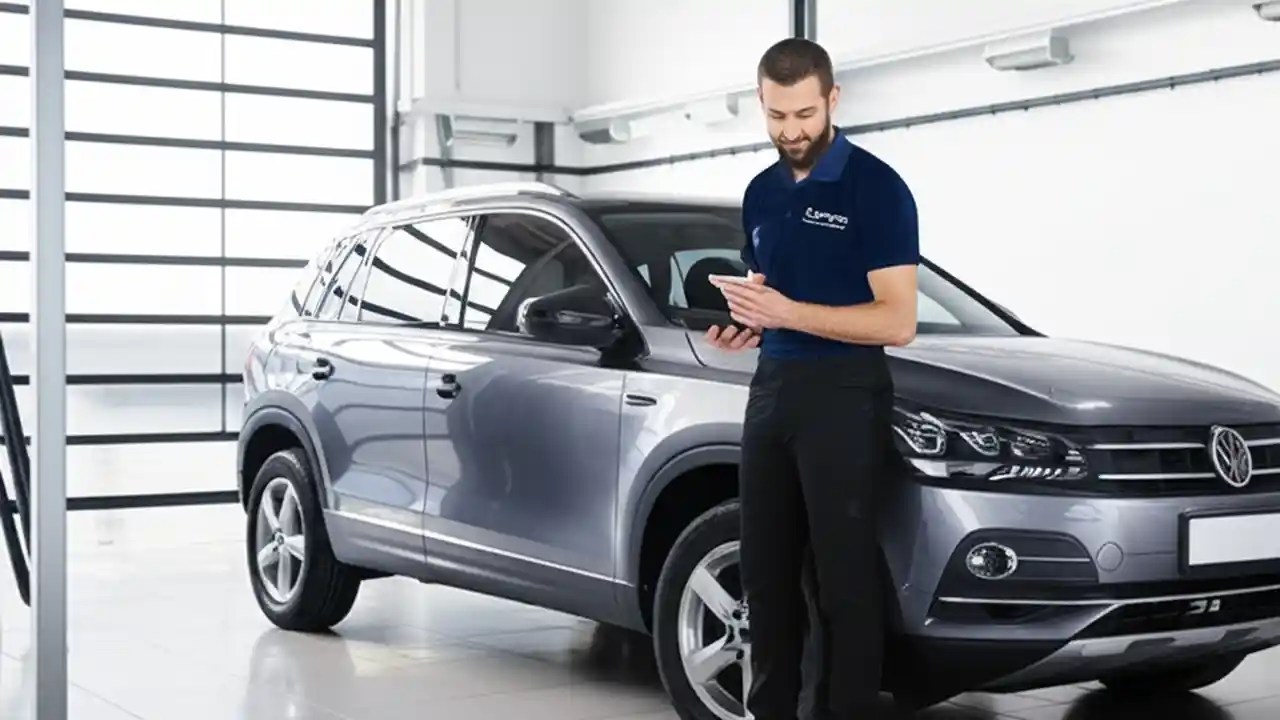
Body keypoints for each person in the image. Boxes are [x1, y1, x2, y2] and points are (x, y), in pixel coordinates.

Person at [705, 37, 920, 719]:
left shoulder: (877, 188)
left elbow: (897, 320)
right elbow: (775, 300)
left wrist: (789, 311)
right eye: (775, 116)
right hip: (773, 391)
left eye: (803, 113)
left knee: (843, 588)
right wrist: (749, 324)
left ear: (832, 99)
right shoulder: (761, 194)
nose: (791, 131)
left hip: (845, 395)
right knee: (765, 581)